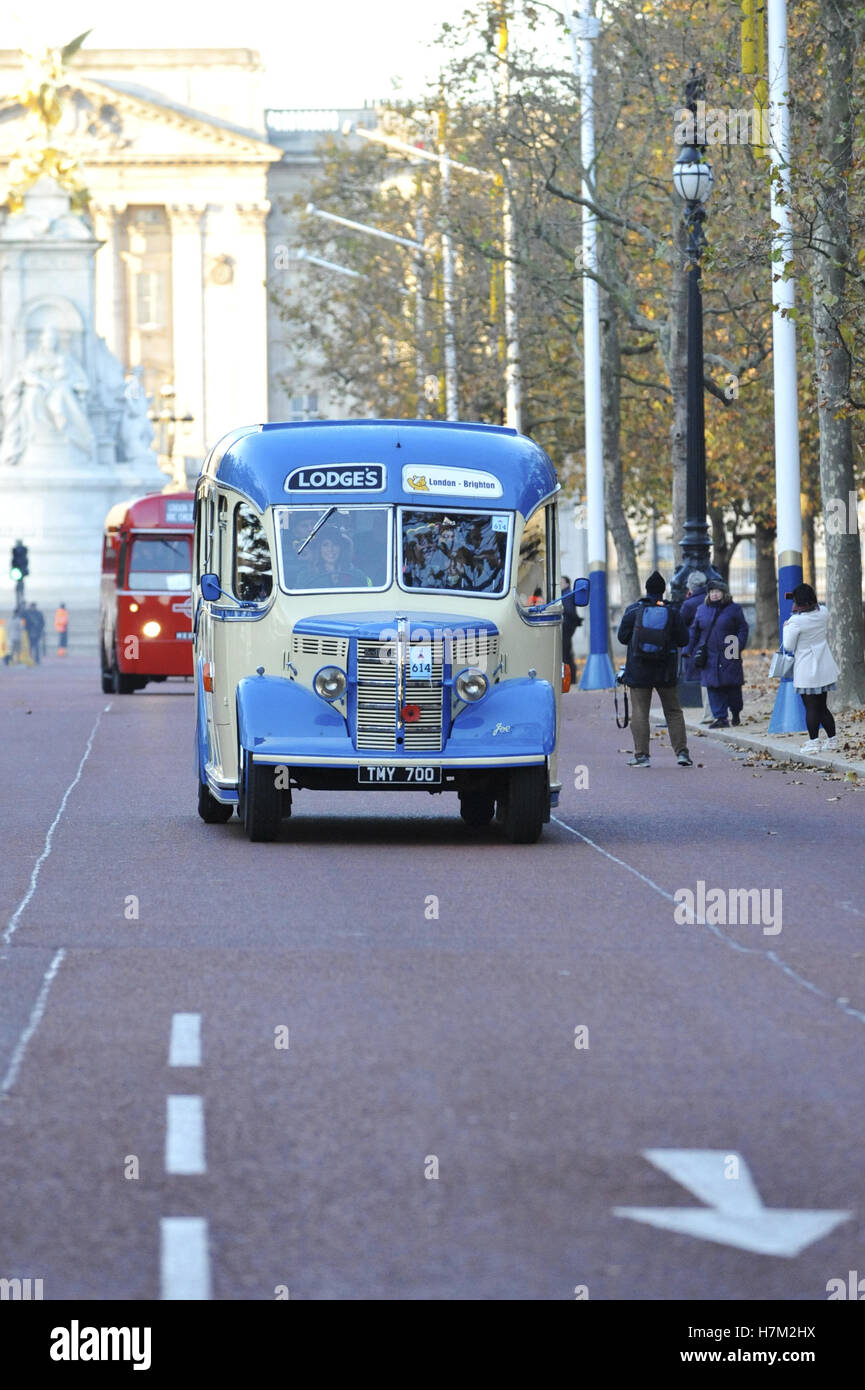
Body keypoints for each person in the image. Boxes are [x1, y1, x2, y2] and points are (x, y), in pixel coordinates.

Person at [617, 570, 692, 767]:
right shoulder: (673, 612)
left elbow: (622, 638)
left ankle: (642, 756)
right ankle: (682, 753)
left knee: (640, 712)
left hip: (639, 670)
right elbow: (684, 639)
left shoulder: (634, 610)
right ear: (663, 591)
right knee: (674, 711)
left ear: (647, 589)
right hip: (666, 671)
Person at [782, 582, 840, 753]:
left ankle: (813, 742)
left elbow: (789, 646)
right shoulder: (823, 612)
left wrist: (786, 628)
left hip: (807, 668)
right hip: (824, 664)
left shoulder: (796, 621)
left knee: (811, 708)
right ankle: (832, 740)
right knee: (822, 706)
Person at [685, 578, 749, 728]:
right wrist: (688, 649)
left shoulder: (734, 609)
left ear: (724, 593)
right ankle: (721, 717)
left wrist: (738, 645)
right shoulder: (702, 609)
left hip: (729, 651)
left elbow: (742, 628)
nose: (714, 594)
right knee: (712, 686)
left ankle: (736, 711)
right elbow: (694, 630)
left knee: (732, 685)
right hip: (709, 654)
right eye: (712, 592)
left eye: (717, 592)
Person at [679, 569, 712, 724]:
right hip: (712, 642)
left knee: (703, 680)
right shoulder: (709, 598)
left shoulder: (689, 604)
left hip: (696, 645)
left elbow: (681, 623)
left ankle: (708, 714)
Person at [561, 576, 583, 685]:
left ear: (567, 583)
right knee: (567, 655)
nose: (559, 583)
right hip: (567, 628)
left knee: (565, 655)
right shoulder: (565, 594)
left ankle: (570, 680)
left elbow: (570, 612)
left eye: (561, 582)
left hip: (565, 628)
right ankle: (571, 680)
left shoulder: (567, 595)